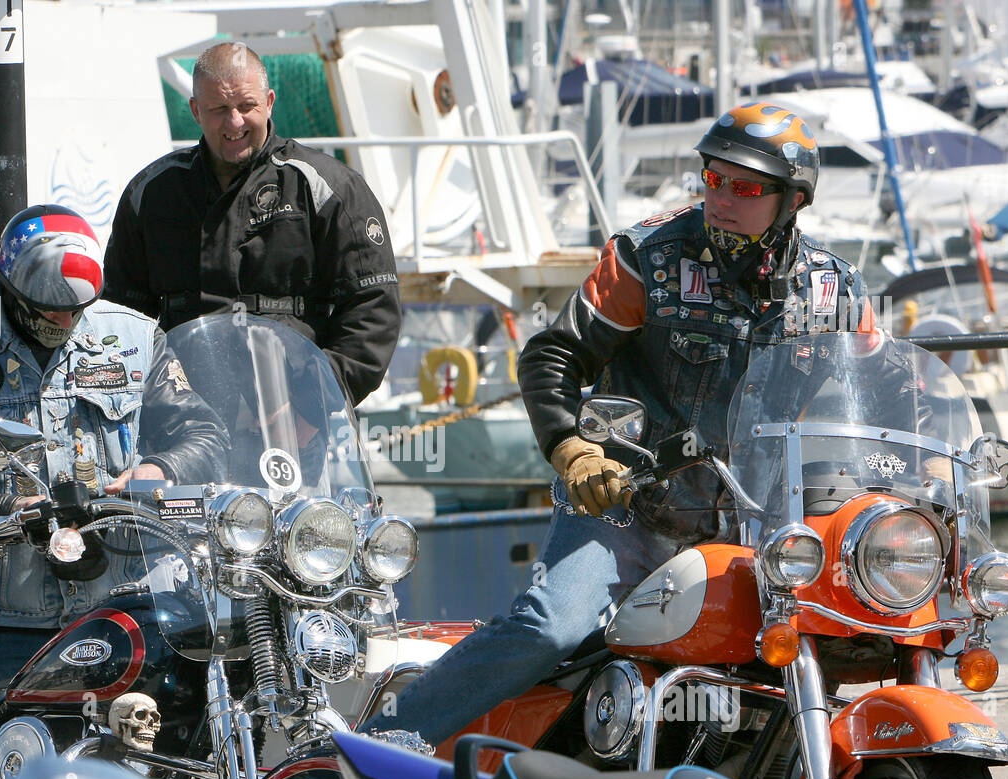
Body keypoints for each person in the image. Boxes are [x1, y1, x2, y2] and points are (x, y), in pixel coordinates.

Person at [362, 102, 878, 745]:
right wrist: (575, 453)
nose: (721, 197)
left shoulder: (837, 290)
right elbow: (553, 354)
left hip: (756, 525)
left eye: (744, 187)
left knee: (848, 631)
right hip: (625, 508)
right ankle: (382, 746)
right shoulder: (650, 257)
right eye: (713, 179)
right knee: (549, 627)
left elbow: (868, 402)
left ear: (792, 199)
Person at [0, 205, 227, 688]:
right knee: (15, 755)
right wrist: (9, 510)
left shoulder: (137, 337)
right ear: (12, 288)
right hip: (5, 624)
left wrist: (159, 470)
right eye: (51, 308)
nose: (66, 319)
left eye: (77, 309)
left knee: (153, 753)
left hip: (132, 602)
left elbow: (205, 435)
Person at [102, 41, 400, 407]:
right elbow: (120, 317)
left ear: (270, 102)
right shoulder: (151, 192)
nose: (235, 122)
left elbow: (372, 311)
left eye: (247, 106)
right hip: (181, 418)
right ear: (195, 110)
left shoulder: (328, 188)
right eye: (219, 109)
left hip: (293, 415)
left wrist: (313, 408)